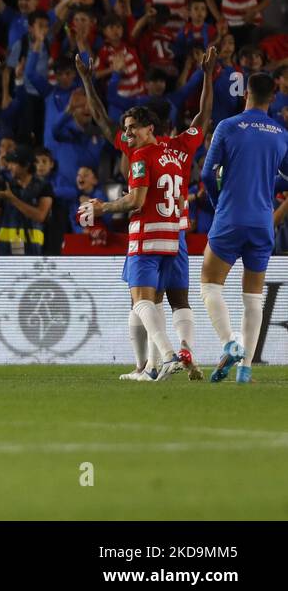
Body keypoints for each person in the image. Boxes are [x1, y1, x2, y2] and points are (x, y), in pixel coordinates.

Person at [75, 52, 213, 381]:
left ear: (150, 128)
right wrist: (209, 75)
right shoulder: (181, 147)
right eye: (127, 129)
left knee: (140, 299)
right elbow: (204, 118)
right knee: (178, 300)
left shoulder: (138, 156)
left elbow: (100, 118)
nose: (127, 133)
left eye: (134, 128)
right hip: (176, 235)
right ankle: (168, 357)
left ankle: (164, 358)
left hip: (148, 233)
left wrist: (102, 208)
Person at [199, 71, 288, 384]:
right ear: (273, 98)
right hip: (263, 222)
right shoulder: (280, 132)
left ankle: (230, 342)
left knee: (209, 283)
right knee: (253, 298)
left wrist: (217, 202)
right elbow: (283, 177)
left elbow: (207, 176)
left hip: (231, 216)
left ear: (245, 92)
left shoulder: (228, 126)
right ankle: (245, 370)